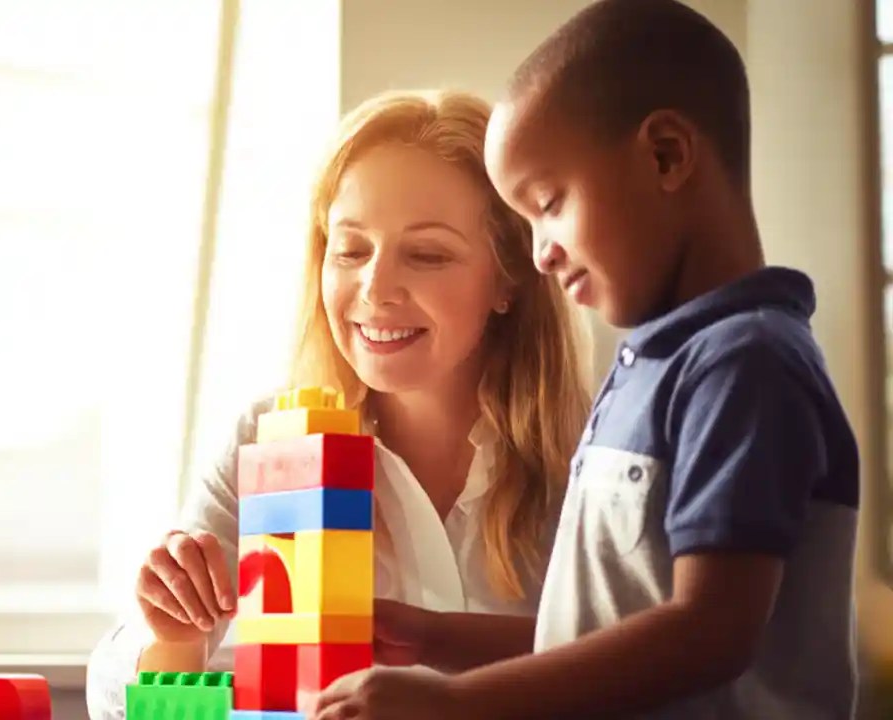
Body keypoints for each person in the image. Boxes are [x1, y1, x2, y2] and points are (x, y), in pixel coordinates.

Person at [311, 1, 861, 719]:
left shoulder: (746, 365)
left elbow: (709, 634)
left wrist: (457, 706)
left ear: (666, 155)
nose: (540, 252)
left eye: (549, 203)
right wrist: (431, 638)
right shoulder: (652, 369)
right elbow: (596, 640)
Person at [84, 89, 591, 719]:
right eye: (349, 250)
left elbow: (646, 677)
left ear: (509, 279)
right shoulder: (269, 443)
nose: (375, 288)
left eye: (427, 254)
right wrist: (174, 635)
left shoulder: (588, 459)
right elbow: (123, 701)